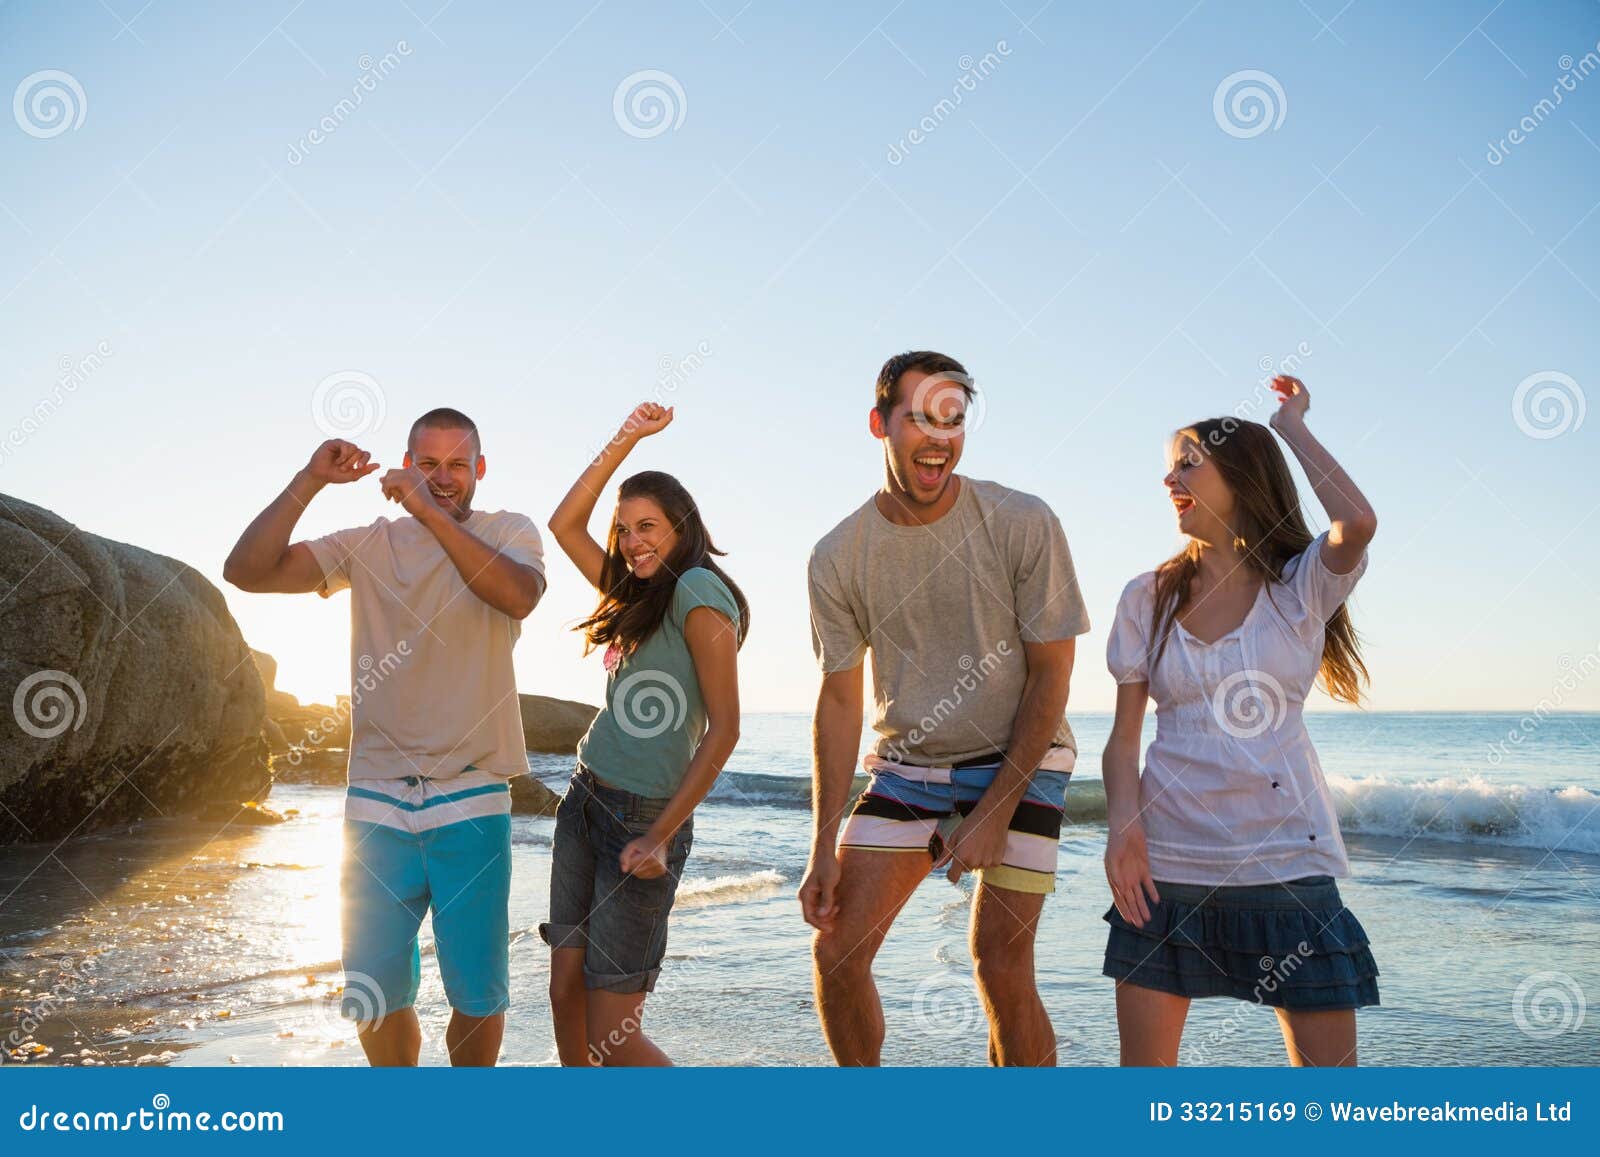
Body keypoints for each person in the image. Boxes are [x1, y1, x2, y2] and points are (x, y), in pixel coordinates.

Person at [223, 408, 546, 1067]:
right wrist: (309, 480)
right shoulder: (366, 543)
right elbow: (246, 570)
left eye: (458, 464)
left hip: (472, 794)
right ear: (405, 465)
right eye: (428, 465)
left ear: (480, 469)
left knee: (477, 992)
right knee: (371, 989)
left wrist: (427, 510)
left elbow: (517, 595)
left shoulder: (509, 532)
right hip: (374, 798)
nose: (443, 478)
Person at [799, 350, 1091, 1066]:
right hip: (907, 769)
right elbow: (839, 702)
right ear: (880, 424)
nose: (939, 437)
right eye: (920, 418)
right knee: (836, 954)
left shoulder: (1022, 521)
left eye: (953, 420)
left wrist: (995, 808)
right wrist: (820, 846)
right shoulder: (837, 555)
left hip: (1024, 759)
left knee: (998, 961)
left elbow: (1052, 675)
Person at [1101, 376, 1380, 1067]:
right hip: (1166, 873)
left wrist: (1292, 426)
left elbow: (1358, 523)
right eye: (1169, 462)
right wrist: (1122, 827)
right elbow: (1123, 739)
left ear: (1242, 474)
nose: (1170, 476)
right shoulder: (1147, 596)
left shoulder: (1300, 582)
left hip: (1288, 867)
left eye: (1189, 460)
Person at [542, 401, 746, 1066]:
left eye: (648, 525)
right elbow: (564, 521)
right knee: (564, 992)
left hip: (643, 818)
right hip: (583, 799)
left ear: (681, 527)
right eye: (625, 528)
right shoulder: (637, 590)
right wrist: (625, 437)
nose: (634, 540)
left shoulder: (699, 593)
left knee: (611, 1032)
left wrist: (659, 836)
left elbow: (724, 729)